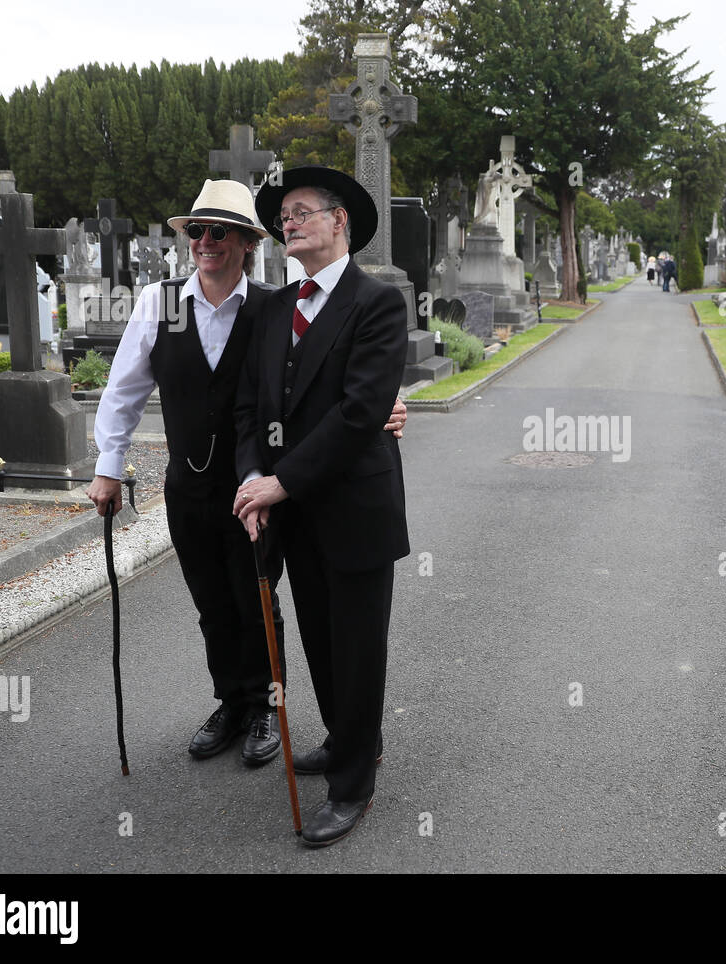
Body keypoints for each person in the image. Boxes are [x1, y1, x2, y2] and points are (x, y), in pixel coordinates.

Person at [87, 179, 408, 770]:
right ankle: (231, 702)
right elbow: (123, 391)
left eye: (219, 232)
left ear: (244, 243)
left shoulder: (269, 306)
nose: (205, 242)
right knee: (213, 603)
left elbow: (313, 388)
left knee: (256, 598)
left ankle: (266, 706)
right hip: (191, 482)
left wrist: (385, 403)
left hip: (259, 485)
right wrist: (109, 469)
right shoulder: (160, 305)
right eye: (196, 232)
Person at [233, 165, 409, 848]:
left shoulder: (377, 304)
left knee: (359, 648)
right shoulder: (275, 308)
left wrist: (283, 481)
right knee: (321, 642)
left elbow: (361, 410)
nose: (289, 222)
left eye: (303, 211)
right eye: (284, 216)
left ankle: (353, 784)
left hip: (355, 507)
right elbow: (252, 405)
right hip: (294, 510)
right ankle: (347, 740)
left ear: (340, 222)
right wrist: (253, 480)